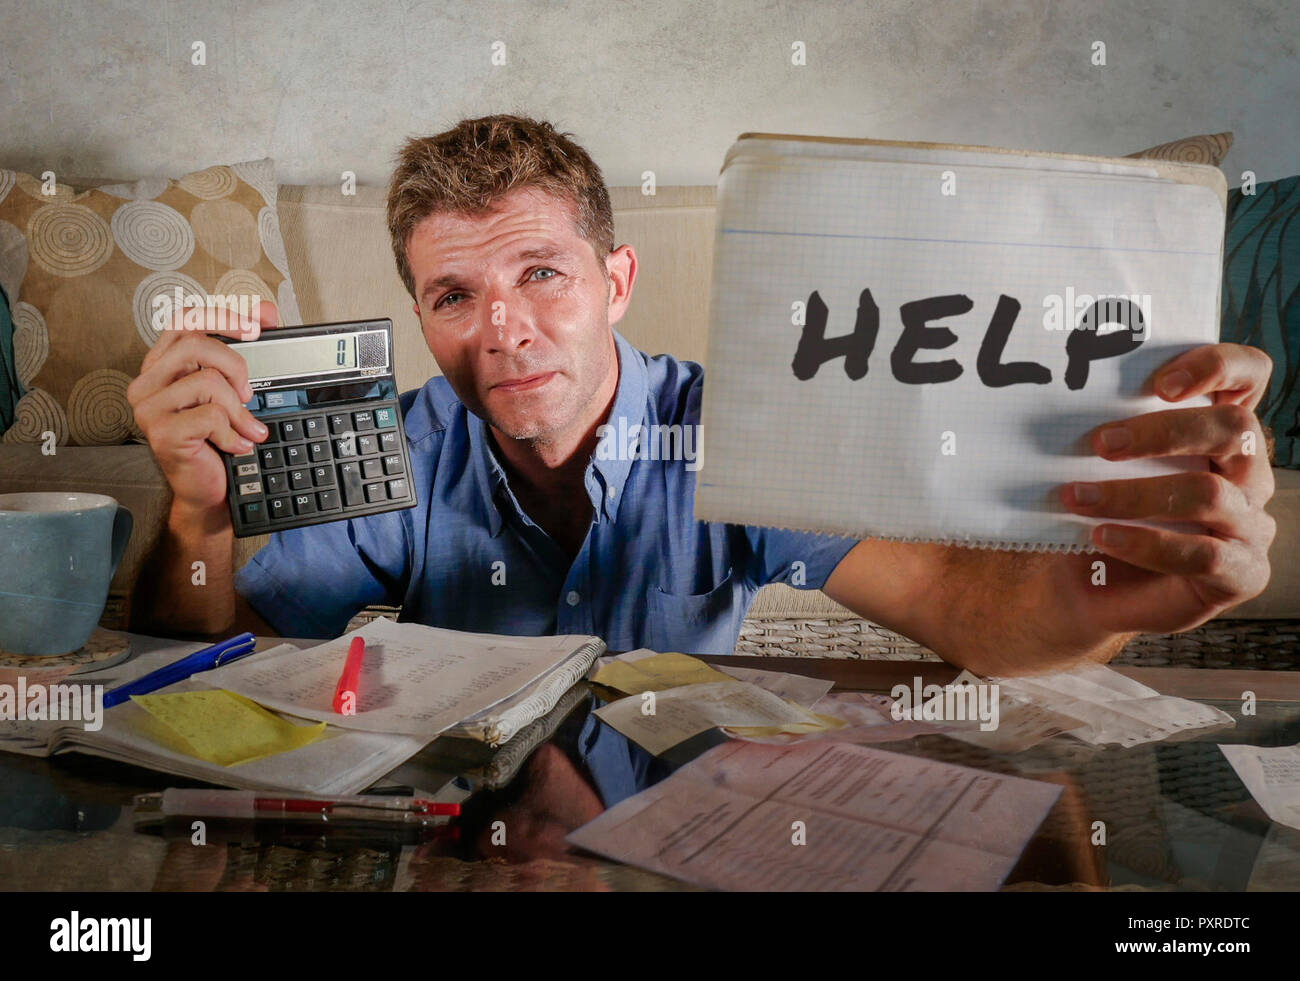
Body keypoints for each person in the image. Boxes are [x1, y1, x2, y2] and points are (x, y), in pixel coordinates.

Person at [127, 114, 1277, 676]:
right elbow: (217, 651)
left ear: (616, 280)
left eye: (541, 274)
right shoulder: (397, 443)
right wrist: (199, 521)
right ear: (421, 316)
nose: (505, 329)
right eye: (454, 295)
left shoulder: (734, 429)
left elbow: (954, 599)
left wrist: (1120, 585)